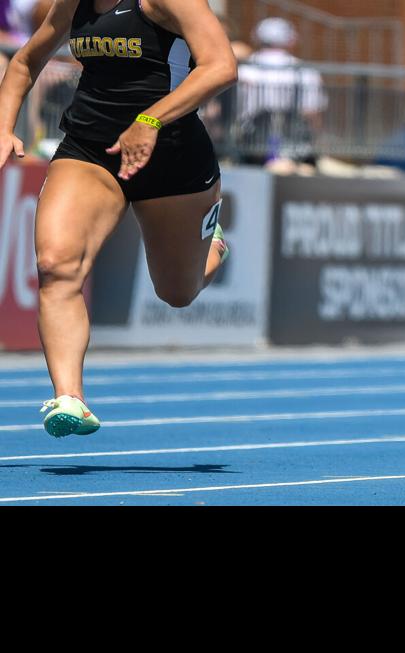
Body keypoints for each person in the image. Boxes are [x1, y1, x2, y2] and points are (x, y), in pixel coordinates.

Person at [0, 0, 235, 438]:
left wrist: (150, 120)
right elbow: (26, 60)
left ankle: (213, 244)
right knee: (56, 265)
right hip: (90, 150)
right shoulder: (73, 3)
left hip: (173, 158)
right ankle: (69, 396)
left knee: (177, 293)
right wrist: (3, 125)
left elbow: (221, 66)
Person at [232, 17, 325, 167]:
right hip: (293, 144)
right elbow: (311, 112)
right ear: (291, 40)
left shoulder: (244, 69)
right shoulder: (304, 70)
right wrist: (316, 139)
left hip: (249, 144)